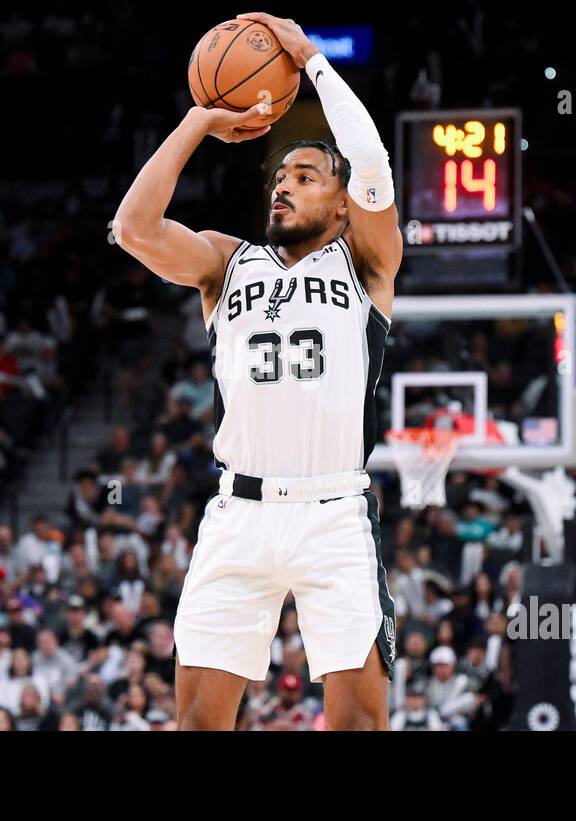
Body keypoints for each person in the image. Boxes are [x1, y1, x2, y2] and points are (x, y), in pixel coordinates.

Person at [113, 12, 401, 730]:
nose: (284, 185)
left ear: (341, 206)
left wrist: (312, 62)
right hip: (238, 513)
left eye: (305, 176)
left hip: (334, 512)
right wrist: (199, 121)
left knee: (361, 723)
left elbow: (371, 163)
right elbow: (133, 229)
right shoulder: (225, 262)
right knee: (198, 725)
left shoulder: (364, 263)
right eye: (279, 175)